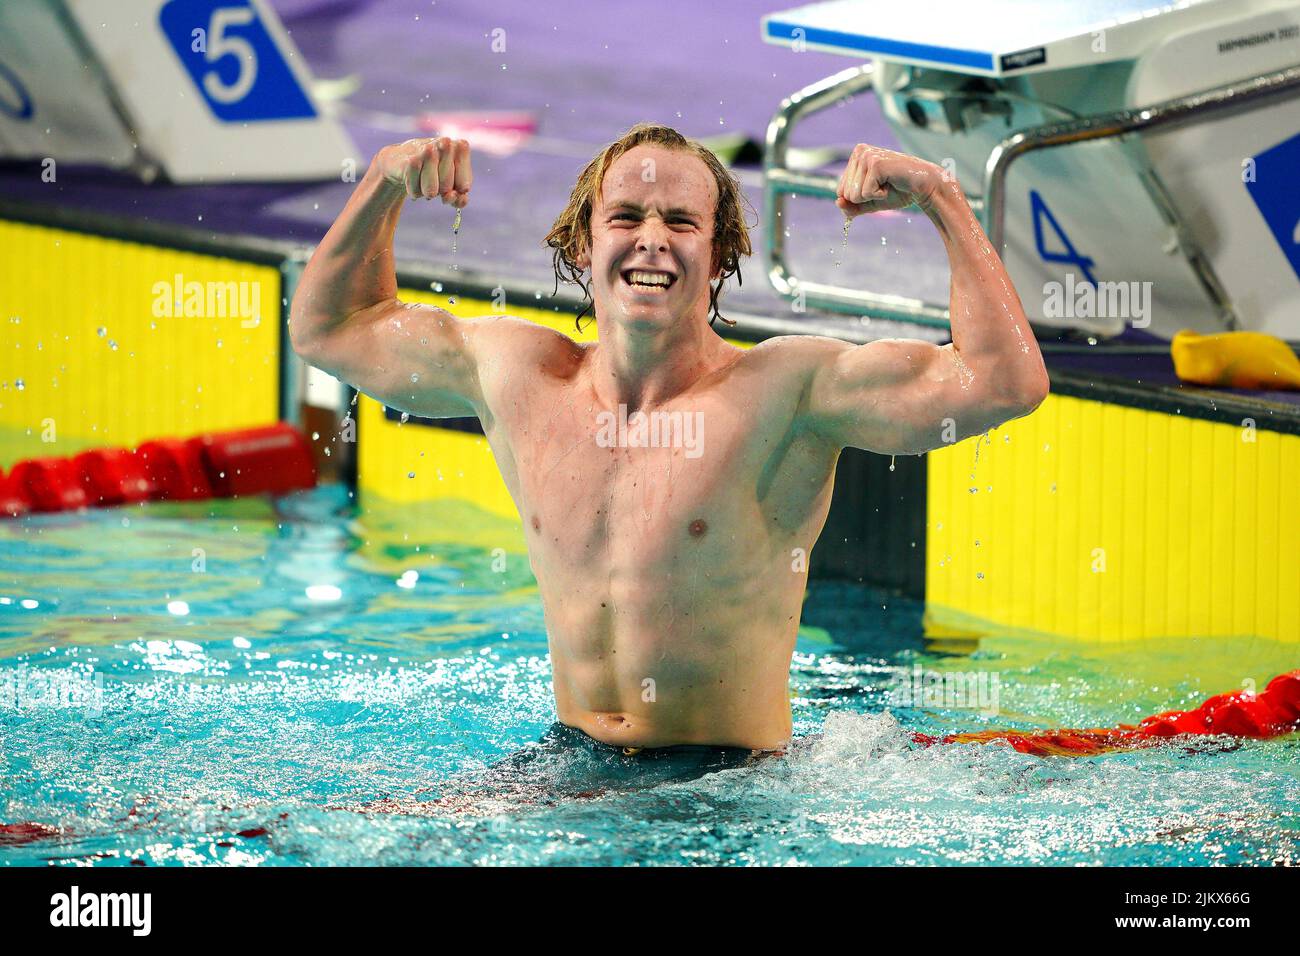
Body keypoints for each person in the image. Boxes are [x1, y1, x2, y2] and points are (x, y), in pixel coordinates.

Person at [289, 124, 1048, 768]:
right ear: (581, 246)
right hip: (567, 765)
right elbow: (329, 329)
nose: (652, 238)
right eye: (626, 216)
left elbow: (1003, 382)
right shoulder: (515, 374)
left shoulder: (791, 391)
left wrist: (940, 198)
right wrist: (383, 184)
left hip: (729, 788)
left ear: (718, 258)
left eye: (681, 223)